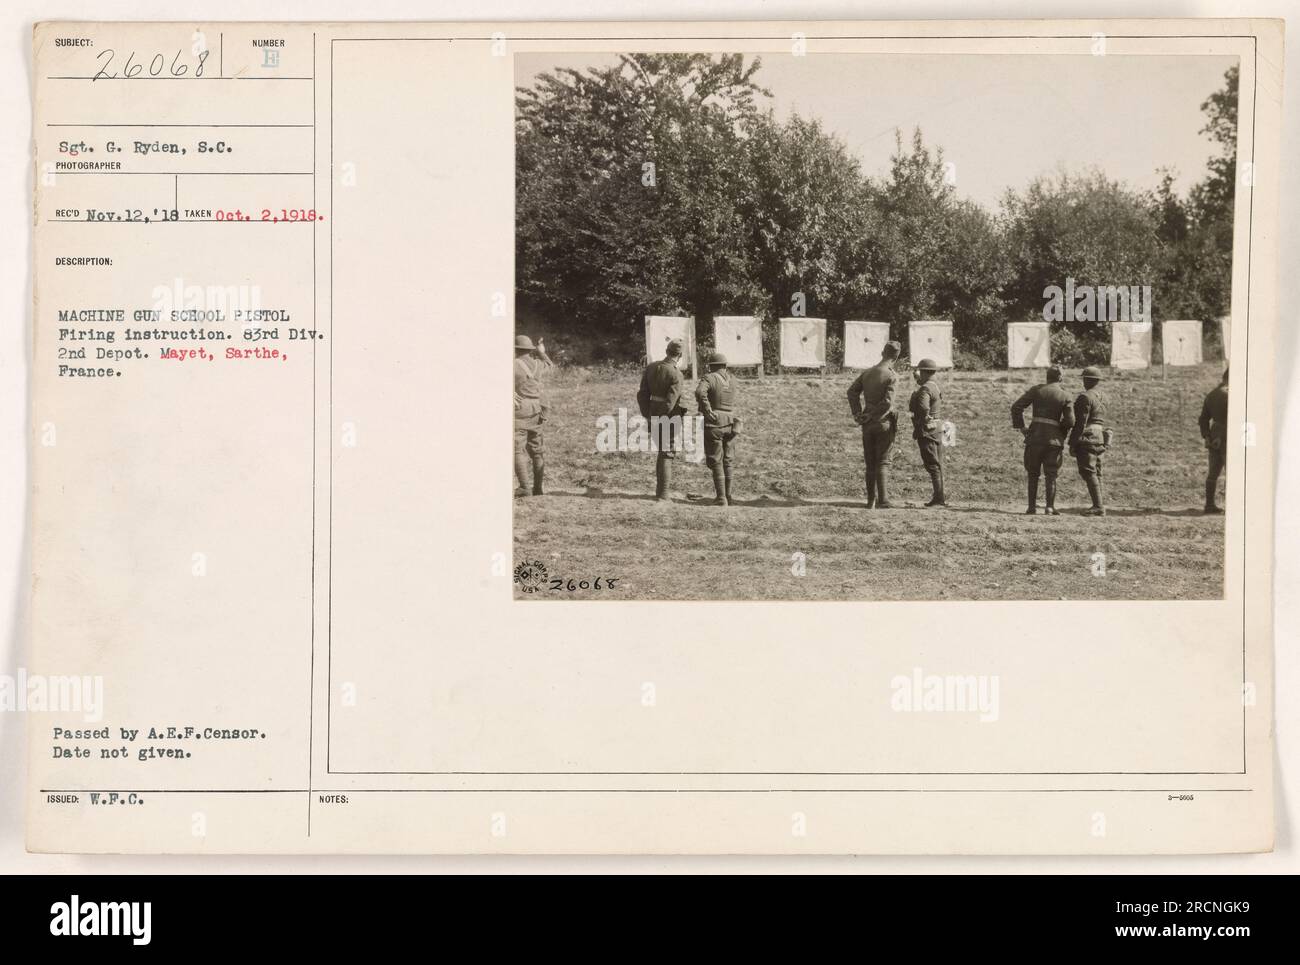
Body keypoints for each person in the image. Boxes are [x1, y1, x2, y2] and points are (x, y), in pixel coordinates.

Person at [1010, 365, 1075, 515]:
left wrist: (1022, 428)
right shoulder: (1065, 395)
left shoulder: (1036, 390)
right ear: (1060, 378)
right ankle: (1049, 507)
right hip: (1054, 441)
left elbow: (1016, 407)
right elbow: (1070, 421)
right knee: (1051, 474)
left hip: (1035, 438)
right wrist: (1061, 433)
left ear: (1047, 377)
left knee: (1033, 473)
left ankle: (1031, 507)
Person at [847, 340, 900, 508]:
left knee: (870, 463)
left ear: (882, 353)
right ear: (896, 357)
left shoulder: (868, 373)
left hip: (867, 425)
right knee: (883, 461)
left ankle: (870, 501)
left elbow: (852, 392)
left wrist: (859, 413)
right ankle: (883, 500)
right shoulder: (892, 375)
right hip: (883, 423)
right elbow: (887, 403)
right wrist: (873, 415)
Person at [637, 339, 687, 502]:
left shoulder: (651, 367)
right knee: (667, 453)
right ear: (679, 355)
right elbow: (670, 402)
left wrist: (648, 414)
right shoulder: (676, 373)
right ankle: (663, 495)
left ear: (667, 351)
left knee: (662, 452)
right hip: (668, 417)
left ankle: (660, 492)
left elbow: (642, 394)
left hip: (653, 413)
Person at [695, 351, 741, 506]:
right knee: (728, 460)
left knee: (716, 461)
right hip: (731, 422)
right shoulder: (733, 379)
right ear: (725, 365)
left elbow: (700, 392)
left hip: (715, 422)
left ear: (711, 366)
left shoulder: (709, 377)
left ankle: (721, 498)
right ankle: (729, 496)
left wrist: (707, 410)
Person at [1068, 366, 1111, 517]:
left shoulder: (1084, 397)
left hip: (1087, 437)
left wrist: (1072, 443)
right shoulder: (1105, 397)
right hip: (1100, 437)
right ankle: (1100, 504)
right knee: (1097, 472)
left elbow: (1080, 423)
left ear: (1086, 380)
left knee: (1088, 471)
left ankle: (1098, 506)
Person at [512, 334, 552, 497]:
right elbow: (550, 365)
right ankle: (538, 488)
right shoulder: (538, 364)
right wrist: (542, 352)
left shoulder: (512, 365)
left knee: (517, 449)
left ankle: (524, 487)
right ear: (530, 350)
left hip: (520, 409)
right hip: (538, 408)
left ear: (515, 350)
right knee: (537, 450)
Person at [908, 358, 947, 507]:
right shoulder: (934, 386)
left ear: (923, 371)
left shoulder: (924, 389)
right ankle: (940, 496)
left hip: (927, 430)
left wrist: (923, 418)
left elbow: (923, 408)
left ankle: (938, 498)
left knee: (932, 464)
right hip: (937, 429)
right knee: (938, 463)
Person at [1199, 367, 1229, 514]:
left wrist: (1207, 435)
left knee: (1213, 473)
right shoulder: (1231, 396)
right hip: (1228, 437)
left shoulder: (1211, 395)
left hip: (1213, 436)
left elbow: (1203, 419)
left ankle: (1209, 505)